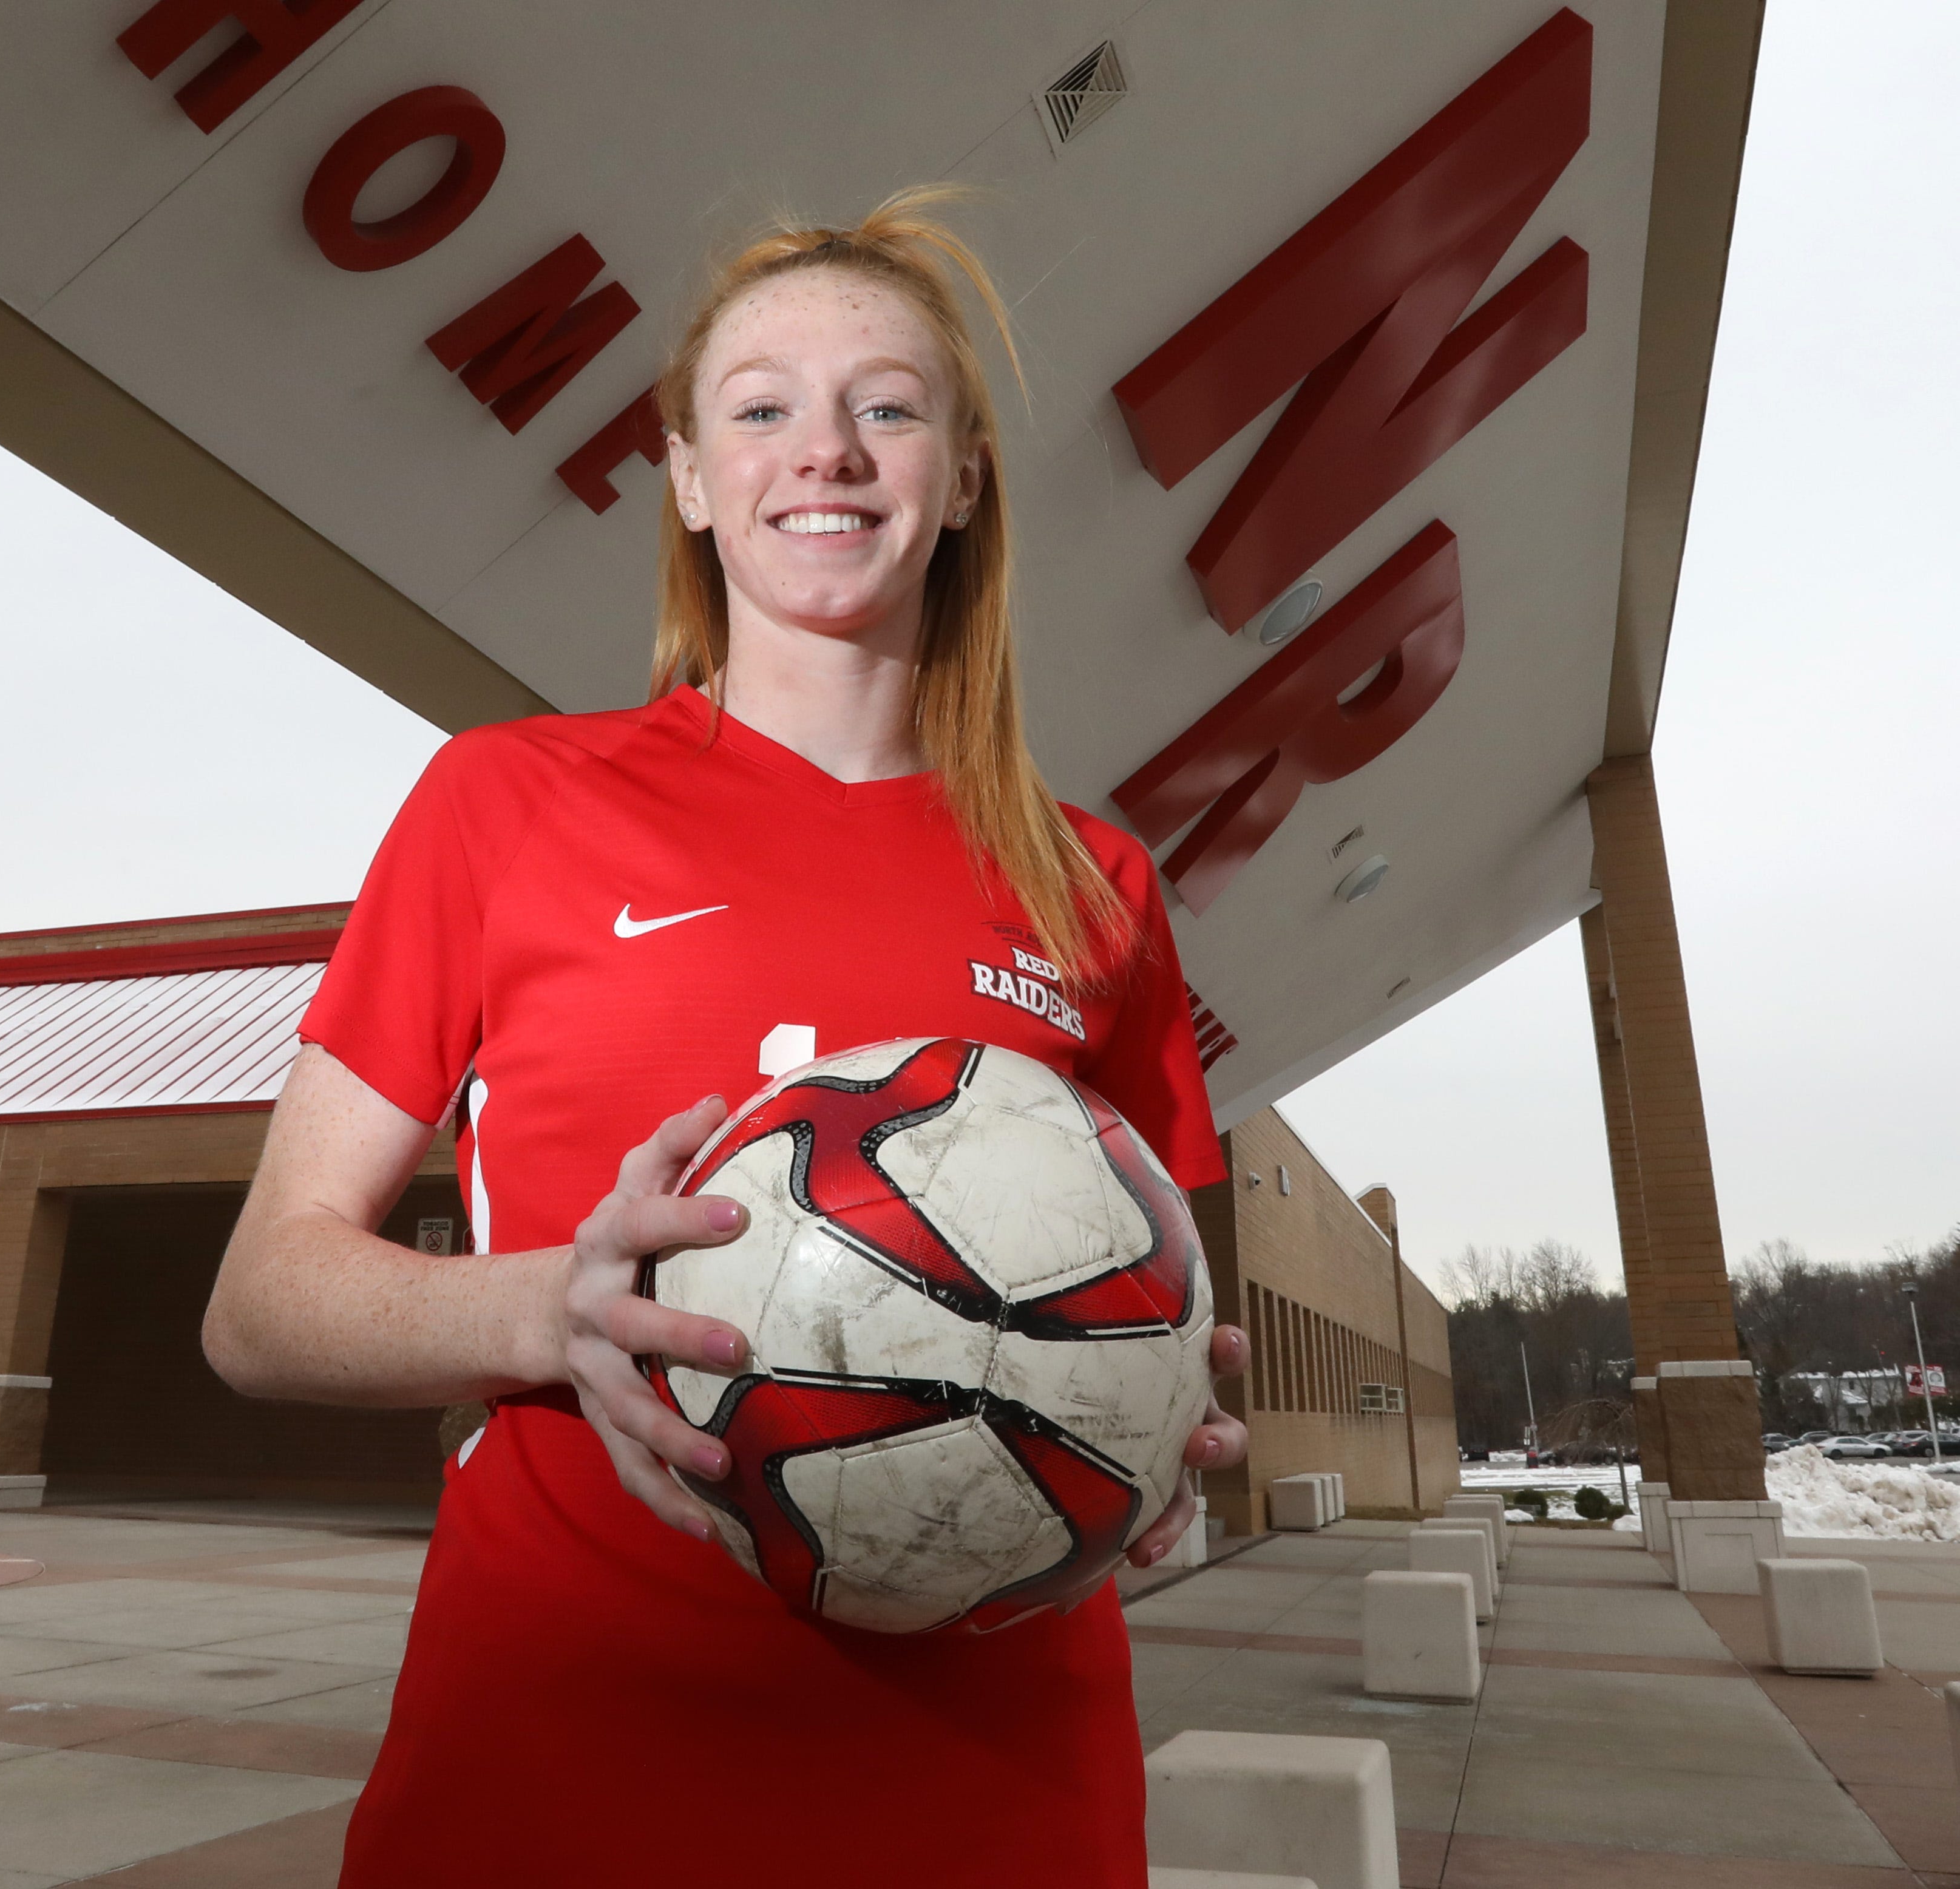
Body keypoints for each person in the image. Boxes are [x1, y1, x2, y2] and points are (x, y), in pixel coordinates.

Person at [205, 188, 1249, 1888]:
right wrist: (550, 1307)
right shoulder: (508, 803)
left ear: (965, 477)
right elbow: (259, 1306)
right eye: (762, 408)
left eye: (887, 407)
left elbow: (1179, 1319)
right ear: (690, 479)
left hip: (994, 1792)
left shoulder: (1097, 883)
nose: (823, 452)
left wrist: (1162, 1436)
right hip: (559, 1773)